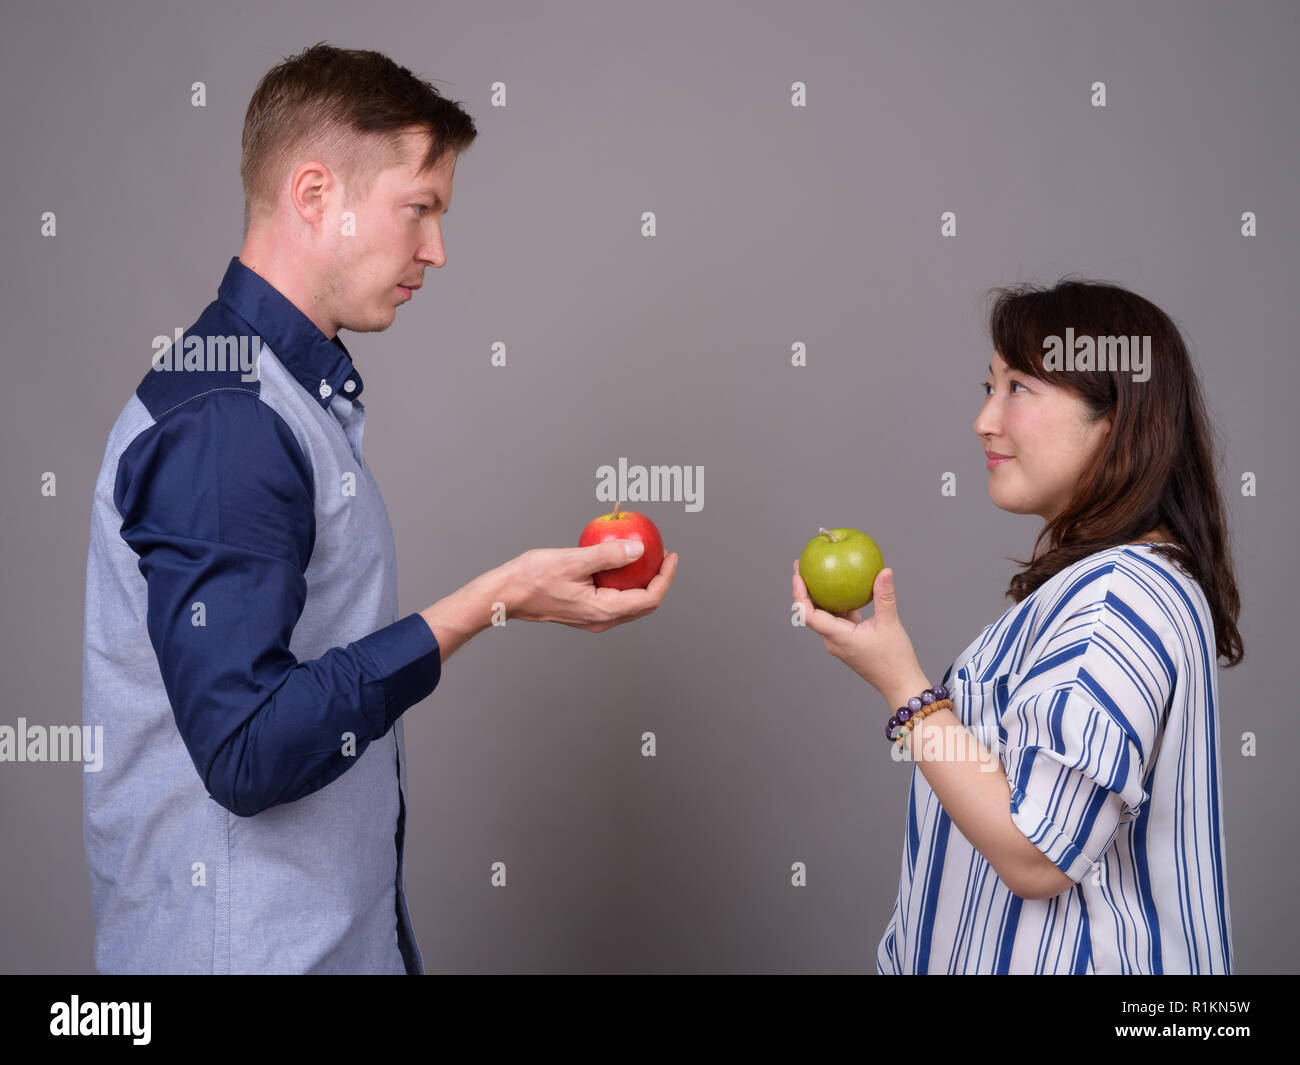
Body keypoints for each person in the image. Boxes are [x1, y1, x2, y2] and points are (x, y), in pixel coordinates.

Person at [80, 42, 678, 975]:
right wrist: (492, 601)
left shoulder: (276, 396)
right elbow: (247, 751)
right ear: (317, 195)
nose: (436, 249)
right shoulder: (228, 425)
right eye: (420, 210)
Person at [793, 278, 1239, 974]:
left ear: (1116, 416)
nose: (984, 420)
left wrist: (904, 686)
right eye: (988, 386)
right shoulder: (1115, 584)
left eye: (1019, 387)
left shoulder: (1119, 598)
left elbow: (1037, 851)